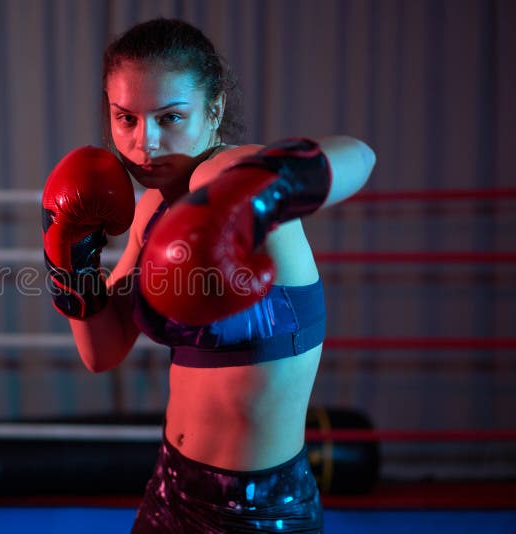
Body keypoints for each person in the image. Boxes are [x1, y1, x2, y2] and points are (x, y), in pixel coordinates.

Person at [41, 18, 375, 534]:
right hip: (169, 489)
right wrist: (70, 259)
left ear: (214, 109)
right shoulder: (152, 209)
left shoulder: (228, 173)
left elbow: (360, 155)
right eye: (125, 118)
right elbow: (102, 352)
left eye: (170, 117)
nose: (145, 143)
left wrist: (262, 192)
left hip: (259, 511)